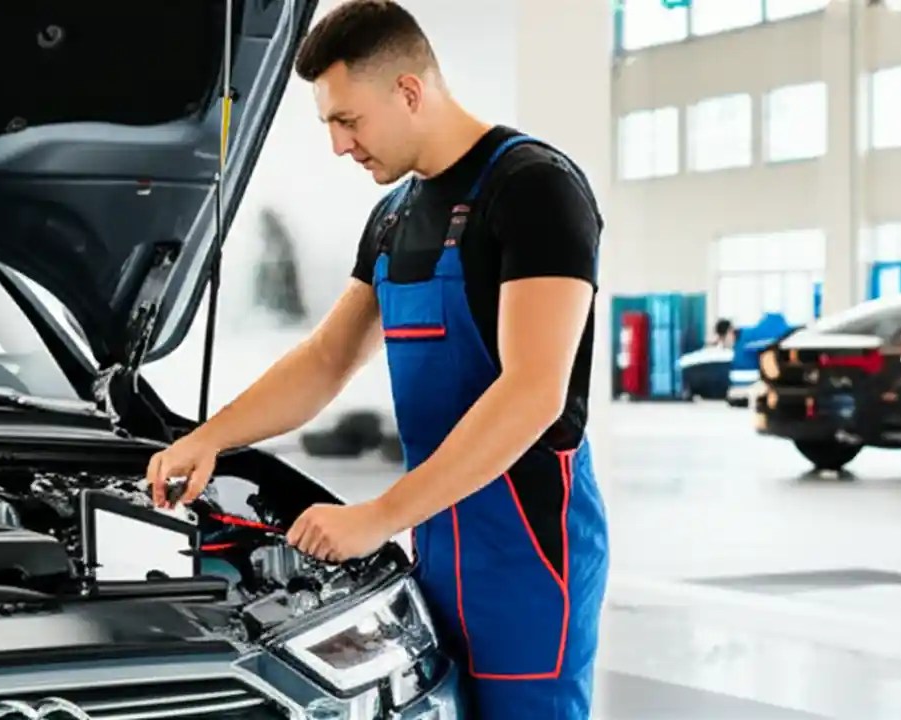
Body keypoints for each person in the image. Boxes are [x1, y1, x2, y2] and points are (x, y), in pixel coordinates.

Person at [144, 1, 610, 717]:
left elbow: (534, 391)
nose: (339, 145)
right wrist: (208, 439)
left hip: (529, 562)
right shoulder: (395, 216)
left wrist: (378, 516)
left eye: (348, 120)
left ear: (409, 91)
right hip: (438, 551)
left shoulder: (534, 189)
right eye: (329, 125)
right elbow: (326, 359)